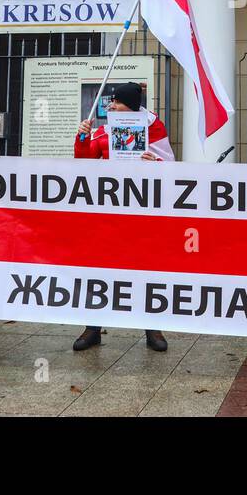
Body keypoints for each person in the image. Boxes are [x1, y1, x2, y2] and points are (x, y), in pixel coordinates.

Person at [72, 82, 173, 353]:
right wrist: (82, 137)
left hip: (141, 214)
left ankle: (153, 328)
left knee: (145, 269)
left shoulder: (155, 128)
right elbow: (84, 161)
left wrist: (156, 165)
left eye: (115, 102)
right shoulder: (102, 130)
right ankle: (92, 328)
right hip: (108, 211)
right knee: (99, 269)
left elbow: (170, 167)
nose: (110, 106)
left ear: (129, 105)